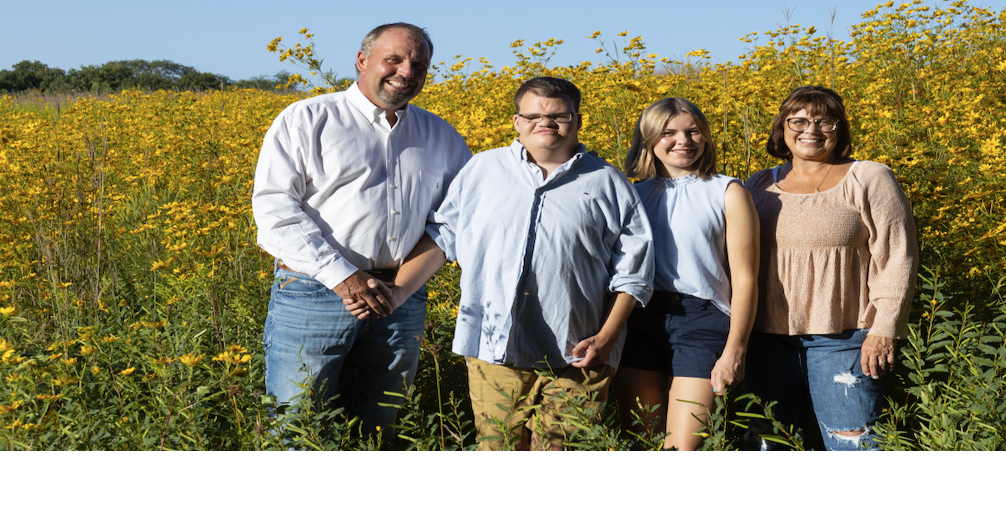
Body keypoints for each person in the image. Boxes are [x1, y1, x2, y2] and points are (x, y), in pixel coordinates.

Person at [344, 77, 654, 450]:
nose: (547, 123)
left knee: (563, 447)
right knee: (499, 445)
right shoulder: (482, 171)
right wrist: (397, 292)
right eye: (534, 115)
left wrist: (606, 338)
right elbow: (444, 237)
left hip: (579, 349)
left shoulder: (608, 182)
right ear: (516, 122)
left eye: (559, 116)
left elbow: (634, 274)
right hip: (494, 346)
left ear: (577, 120)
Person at [252, 23, 472, 435]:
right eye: (394, 60)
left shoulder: (442, 136)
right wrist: (344, 278)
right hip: (313, 292)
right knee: (298, 427)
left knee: (379, 427)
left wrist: (401, 290)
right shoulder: (308, 118)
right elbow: (275, 210)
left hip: (400, 298)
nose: (406, 72)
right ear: (362, 60)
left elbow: (454, 221)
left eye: (419, 65)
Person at [743, 86, 918, 451]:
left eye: (825, 121)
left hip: (844, 340)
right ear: (782, 129)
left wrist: (884, 329)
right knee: (769, 444)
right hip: (765, 342)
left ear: (840, 130)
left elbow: (898, 256)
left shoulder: (868, 177)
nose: (812, 129)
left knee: (855, 442)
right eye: (799, 120)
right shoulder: (759, 185)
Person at [610, 98, 760, 451]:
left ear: (706, 138)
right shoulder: (632, 194)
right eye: (668, 132)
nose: (683, 140)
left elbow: (746, 278)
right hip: (639, 317)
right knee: (643, 441)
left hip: (701, 320)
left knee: (683, 446)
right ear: (648, 140)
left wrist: (735, 350)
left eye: (693, 131)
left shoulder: (728, 190)